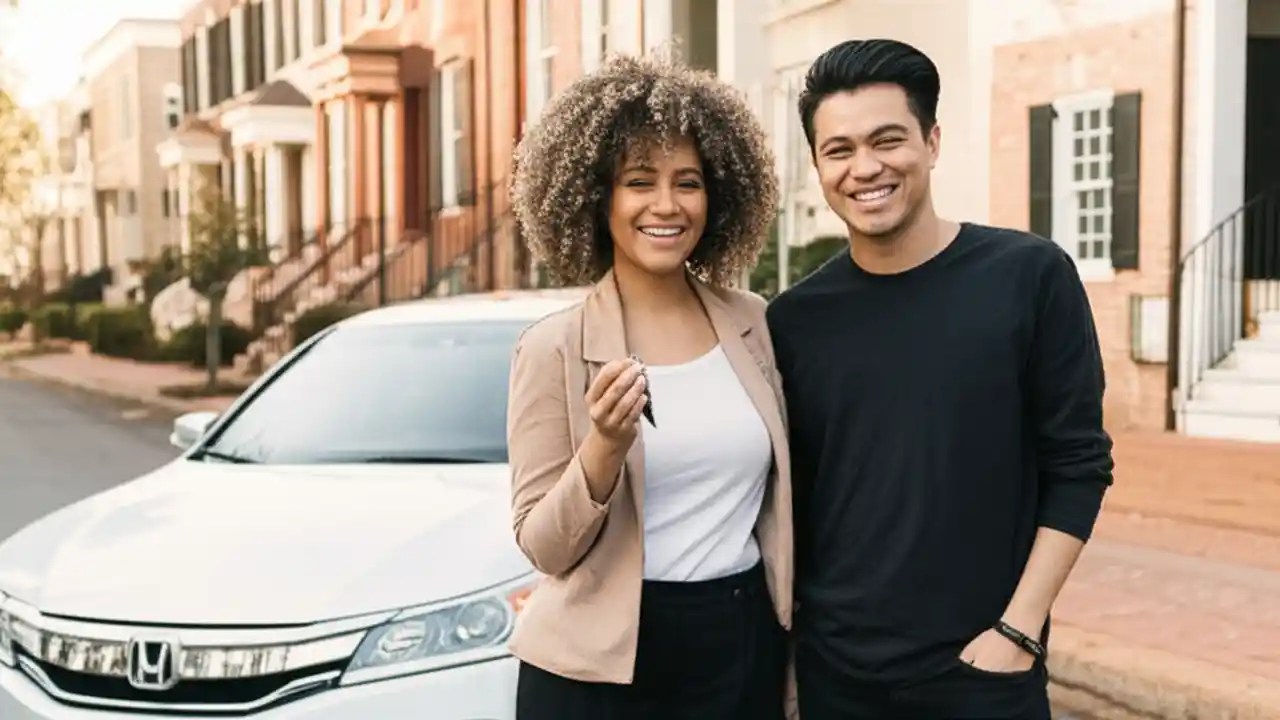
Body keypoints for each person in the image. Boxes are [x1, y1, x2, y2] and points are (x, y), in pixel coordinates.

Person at [766, 38, 1116, 719]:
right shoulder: (794, 321)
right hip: (838, 678)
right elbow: (795, 500)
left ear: (931, 140)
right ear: (817, 165)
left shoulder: (1028, 277)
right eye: (839, 150)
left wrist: (1018, 630)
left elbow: (1079, 465)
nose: (865, 168)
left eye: (887, 140)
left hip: (982, 674)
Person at [505, 51, 794, 720]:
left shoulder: (753, 324)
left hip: (739, 645)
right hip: (598, 670)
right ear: (596, 196)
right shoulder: (554, 347)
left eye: (687, 182)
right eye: (640, 181)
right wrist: (603, 447)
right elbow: (544, 547)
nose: (666, 205)